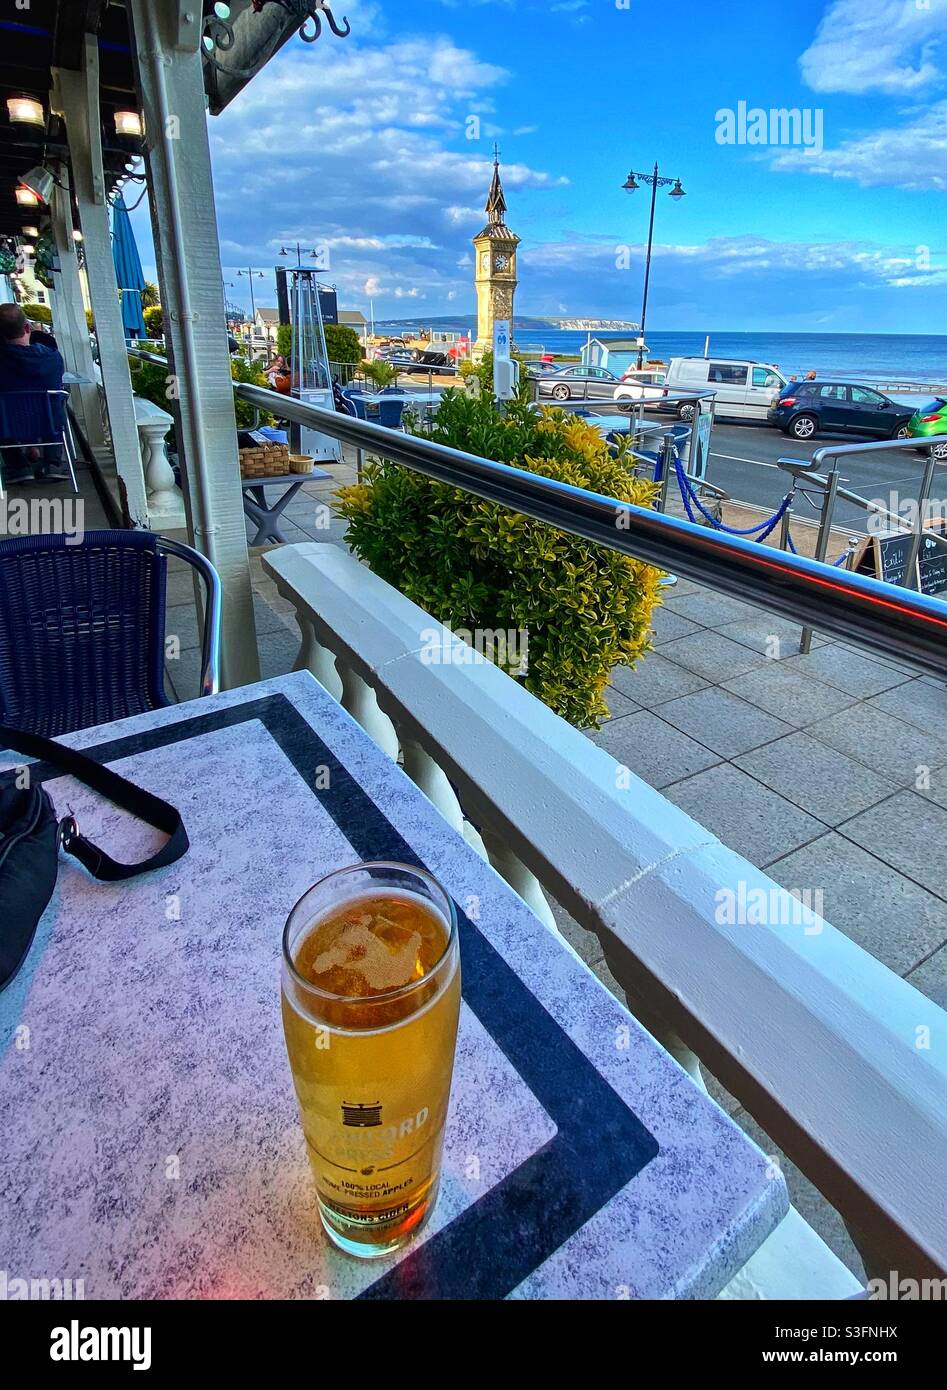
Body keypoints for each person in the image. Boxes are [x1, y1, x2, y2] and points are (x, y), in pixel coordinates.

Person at [0, 303, 67, 482]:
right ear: (27, 327)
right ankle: (53, 462)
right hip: (48, 422)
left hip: (9, 426)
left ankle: (19, 467)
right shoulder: (53, 358)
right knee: (57, 401)